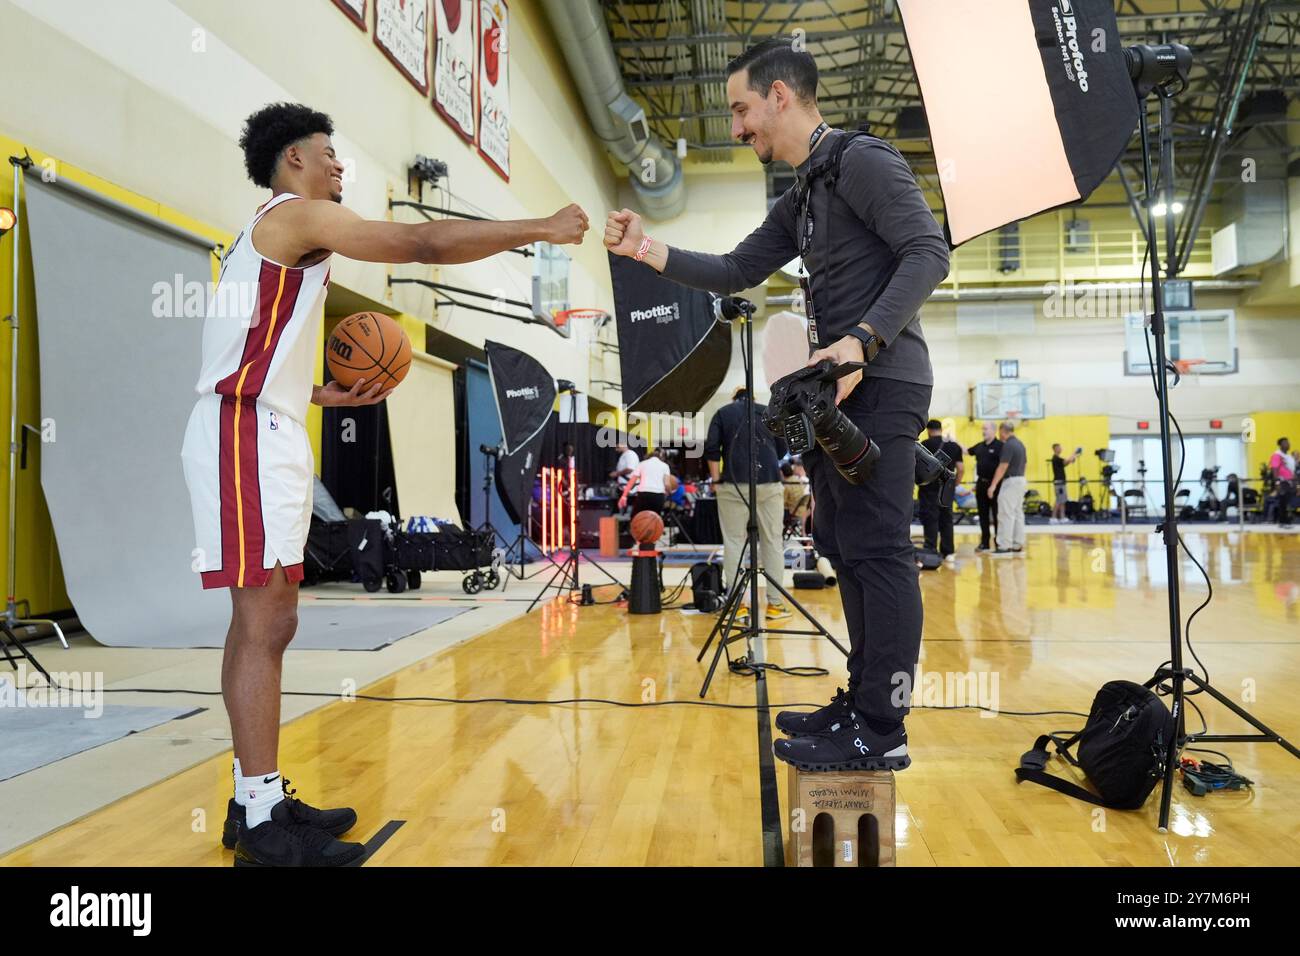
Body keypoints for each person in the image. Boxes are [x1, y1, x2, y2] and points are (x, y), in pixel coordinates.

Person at [182, 102, 588, 866]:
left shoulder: (265, 235)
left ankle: (252, 798)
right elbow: (420, 240)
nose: (340, 167)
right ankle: (265, 828)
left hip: (258, 421)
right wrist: (537, 228)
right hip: (243, 432)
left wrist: (306, 392)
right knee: (266, 623)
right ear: (294, 158)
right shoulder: (296, 217)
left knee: (266, 619)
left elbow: (237, 340)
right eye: (329, 153)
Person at [605, 38, 949, 772]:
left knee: (881, 551)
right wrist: (645, 250)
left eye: (741, 110)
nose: (736, 128)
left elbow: (929, 252)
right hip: (837, 392)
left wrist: (861, 340)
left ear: (782, 95)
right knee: (845, 547)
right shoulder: (802, 197)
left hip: (882, 381)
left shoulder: (862, 159)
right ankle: (861, 704)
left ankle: (883, 731)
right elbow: (734, 268)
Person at [704, 386, 791, 623]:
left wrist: (715, 481)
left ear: (735, 398)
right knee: (772, 542)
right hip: (769, 483)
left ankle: (738, 606)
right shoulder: (767, 412)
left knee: (734, 542)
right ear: (753, 398)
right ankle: (775, 605)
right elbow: (782, 449)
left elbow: (711, 450)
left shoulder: (723, 413)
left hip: (733, 485)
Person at [918, 419, 964, 563]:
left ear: (929, 430)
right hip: (946, 489)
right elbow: (961, 469)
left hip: (928, 489)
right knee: (947, 520)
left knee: (930, 519)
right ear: (941, 429)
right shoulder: (954, 446)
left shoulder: (924, 445)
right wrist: (954, 485)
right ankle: (948, 552)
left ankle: (931, 550)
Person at [988, 421, 1027, 556]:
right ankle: (1017, 543)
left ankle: (1004, 545)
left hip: (1011, 481)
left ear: (1003, 431)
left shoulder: (1009, 445)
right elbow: (1025, 464)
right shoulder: (1020, 444)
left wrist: (993, 486)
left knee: (1005, 513)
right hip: (1021, 479)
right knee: (1017, 513)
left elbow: (1003, 466)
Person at [967, 422, 1002, 551]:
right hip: (981, 483)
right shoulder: (980, 446)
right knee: (983, 514)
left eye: (986, 429)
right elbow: (967, 451)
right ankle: (985, 542)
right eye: (983, 429)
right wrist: (954, 441)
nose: (983, 431)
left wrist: (994, 485)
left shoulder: (1000, 446)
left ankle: (999, 541)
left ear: (994, 430)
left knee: (997, 514)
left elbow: (1003, 466)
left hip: (996, 485)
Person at [619, 447, 672, 516]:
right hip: (658, 495)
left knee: (638, 517)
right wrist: (670, 492)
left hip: (643, 494)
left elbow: (631, 481)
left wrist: (624, 496)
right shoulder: (665, 466)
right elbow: (667, 484)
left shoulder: (642, 464)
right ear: (662, 457)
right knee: (654, 519)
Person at [1050, 443, 1082, 523]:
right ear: (1055, 449)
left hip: (1062, 482)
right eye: (1059, 448)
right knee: (1059, 500)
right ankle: (1053, 517)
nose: (1060, 449)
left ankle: (1062, 517)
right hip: (1059, 482)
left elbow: (1066, 463)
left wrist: (1073, 457)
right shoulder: (1055, 458)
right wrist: (1074, 453)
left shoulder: (1059, 459)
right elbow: (1066, 461)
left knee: (1063, 500)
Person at [1270, 437, 1295, 528]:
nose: (1288, 444)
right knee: (1283, 502)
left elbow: (1292, 471)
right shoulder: (1277, 455)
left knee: (1288, 502)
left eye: (1288, 443)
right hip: (1282, 482)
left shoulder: (1288, 456)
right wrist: (1277, 483)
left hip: (1290, 482)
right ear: (1280, 445)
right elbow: (1275, 469)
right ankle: (1282, 522)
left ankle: (1286, 521)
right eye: (1285, 443)